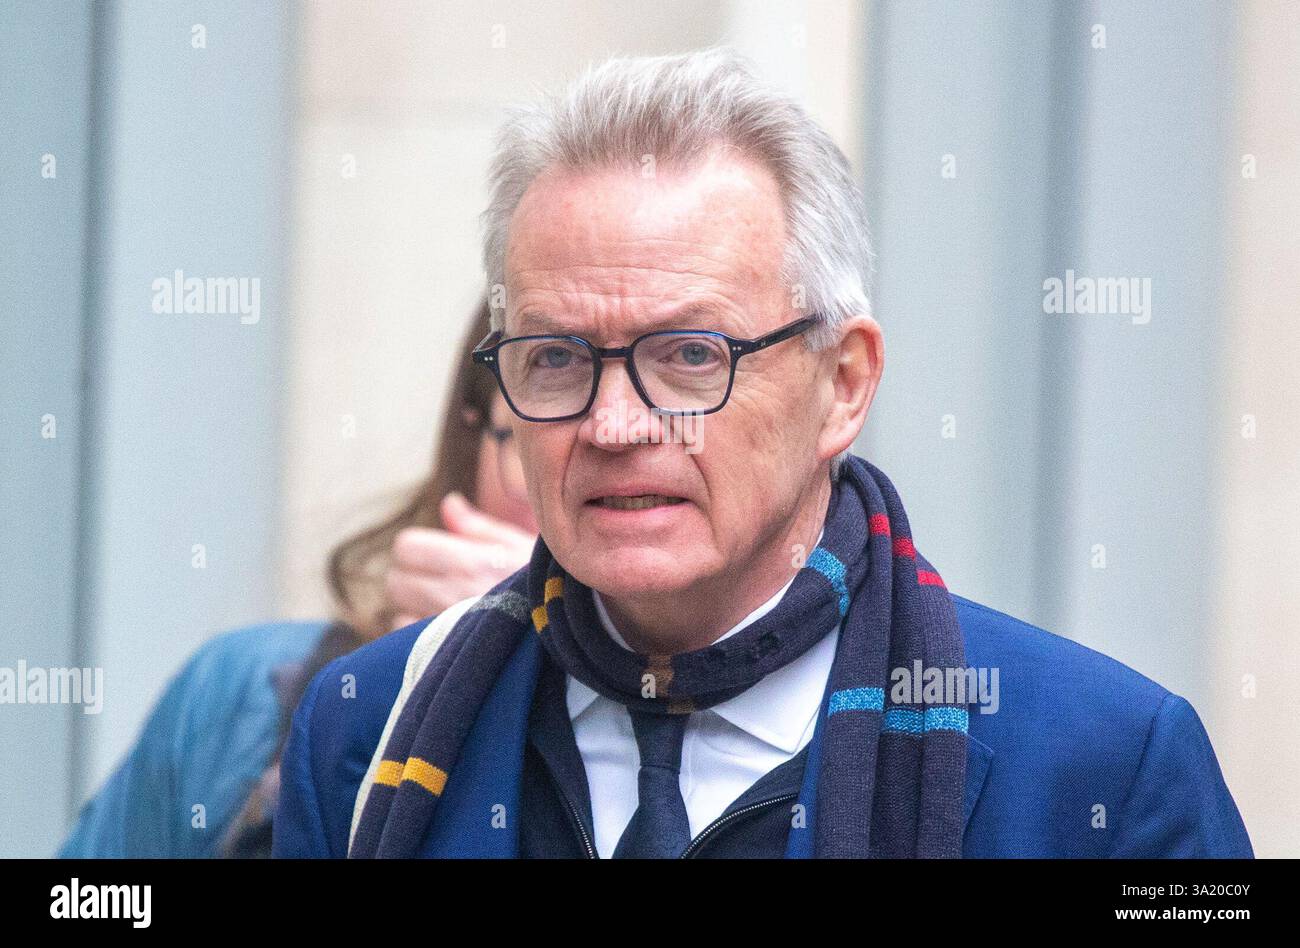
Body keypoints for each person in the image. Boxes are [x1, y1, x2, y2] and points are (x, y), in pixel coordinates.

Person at [273, 48, 1252, 859]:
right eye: (558, 357)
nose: (615, 424)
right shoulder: (366, 730)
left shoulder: (1099, 768)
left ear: (843, 383)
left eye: (692, 356)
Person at [58, 300, 536, 857]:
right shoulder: (250, 690)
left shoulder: (650, 765)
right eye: (530, 436)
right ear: (470, 437)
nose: (565, 494)